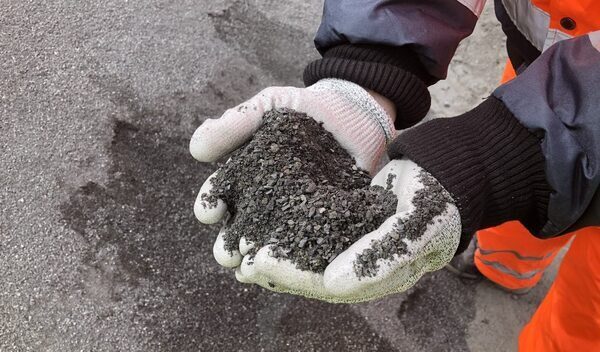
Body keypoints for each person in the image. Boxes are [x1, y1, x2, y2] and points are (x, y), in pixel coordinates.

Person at [190, 0, 600, 350]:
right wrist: (371, 60)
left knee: (588, 312)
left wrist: (514, 149)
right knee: (519, 199)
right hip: (543, 72)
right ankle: (504, 267)